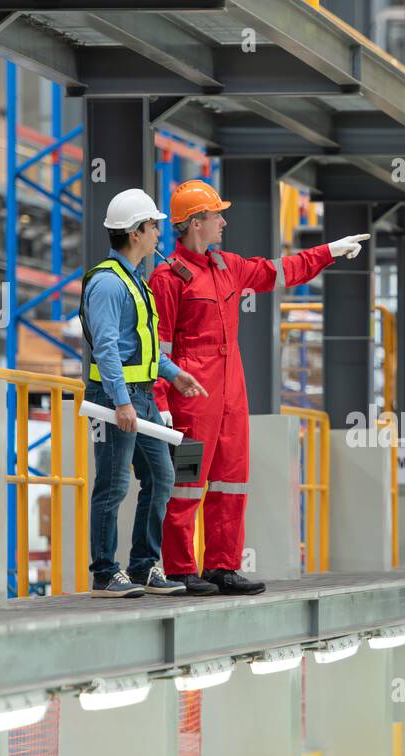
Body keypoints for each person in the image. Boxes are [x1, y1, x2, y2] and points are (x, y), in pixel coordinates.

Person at [149, 179, 369, 595]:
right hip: (191, 396)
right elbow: (159, 349)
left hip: (232, 394)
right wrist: (162, 400)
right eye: (217, 215)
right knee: (187, 482)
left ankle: (222, 567)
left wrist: (328, 252)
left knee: (232, 480)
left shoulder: (227, 266)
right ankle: (180, 569)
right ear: (196, 223)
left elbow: (278, 271)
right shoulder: (168, 278)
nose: (223, 222)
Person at [82, 188, 210, 597]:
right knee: (114, 483)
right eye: (154, 225)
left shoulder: (135, 281)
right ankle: (104, 572)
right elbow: (106, 349)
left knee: (162, 476)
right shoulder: (107, 283)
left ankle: (142, 566)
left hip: (142, 397)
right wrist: (120, 402)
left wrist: (174, 374)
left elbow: (144, 344)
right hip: (114, 397)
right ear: (135, 233)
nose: (159, 232)